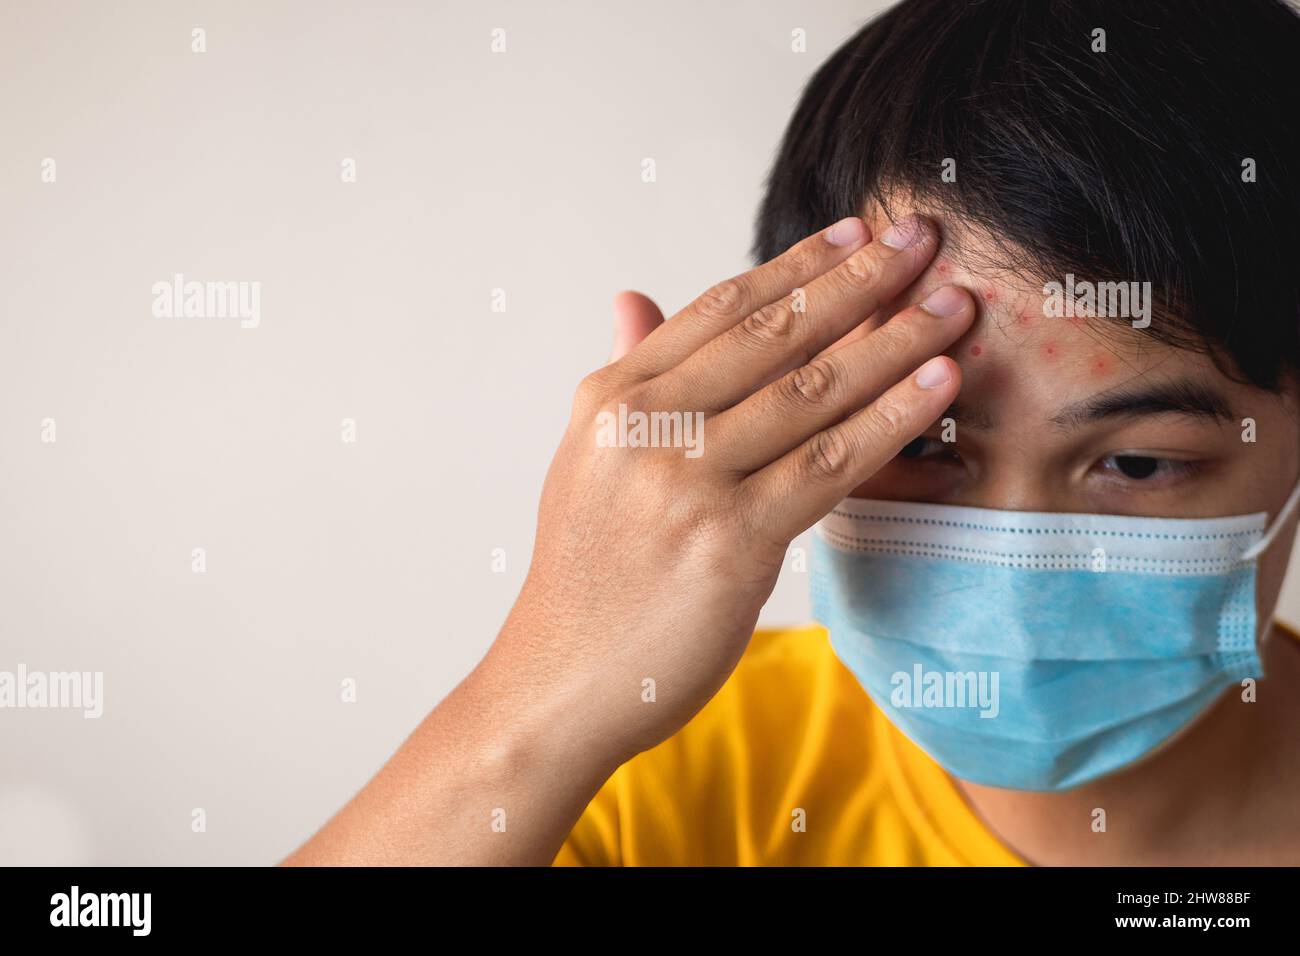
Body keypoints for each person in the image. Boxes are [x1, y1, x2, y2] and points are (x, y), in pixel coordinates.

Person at [285, 0, 1300, 866]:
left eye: (1136, 461)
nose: (1017, 576)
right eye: (921, 442)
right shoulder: (651, 785)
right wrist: (537, 701)